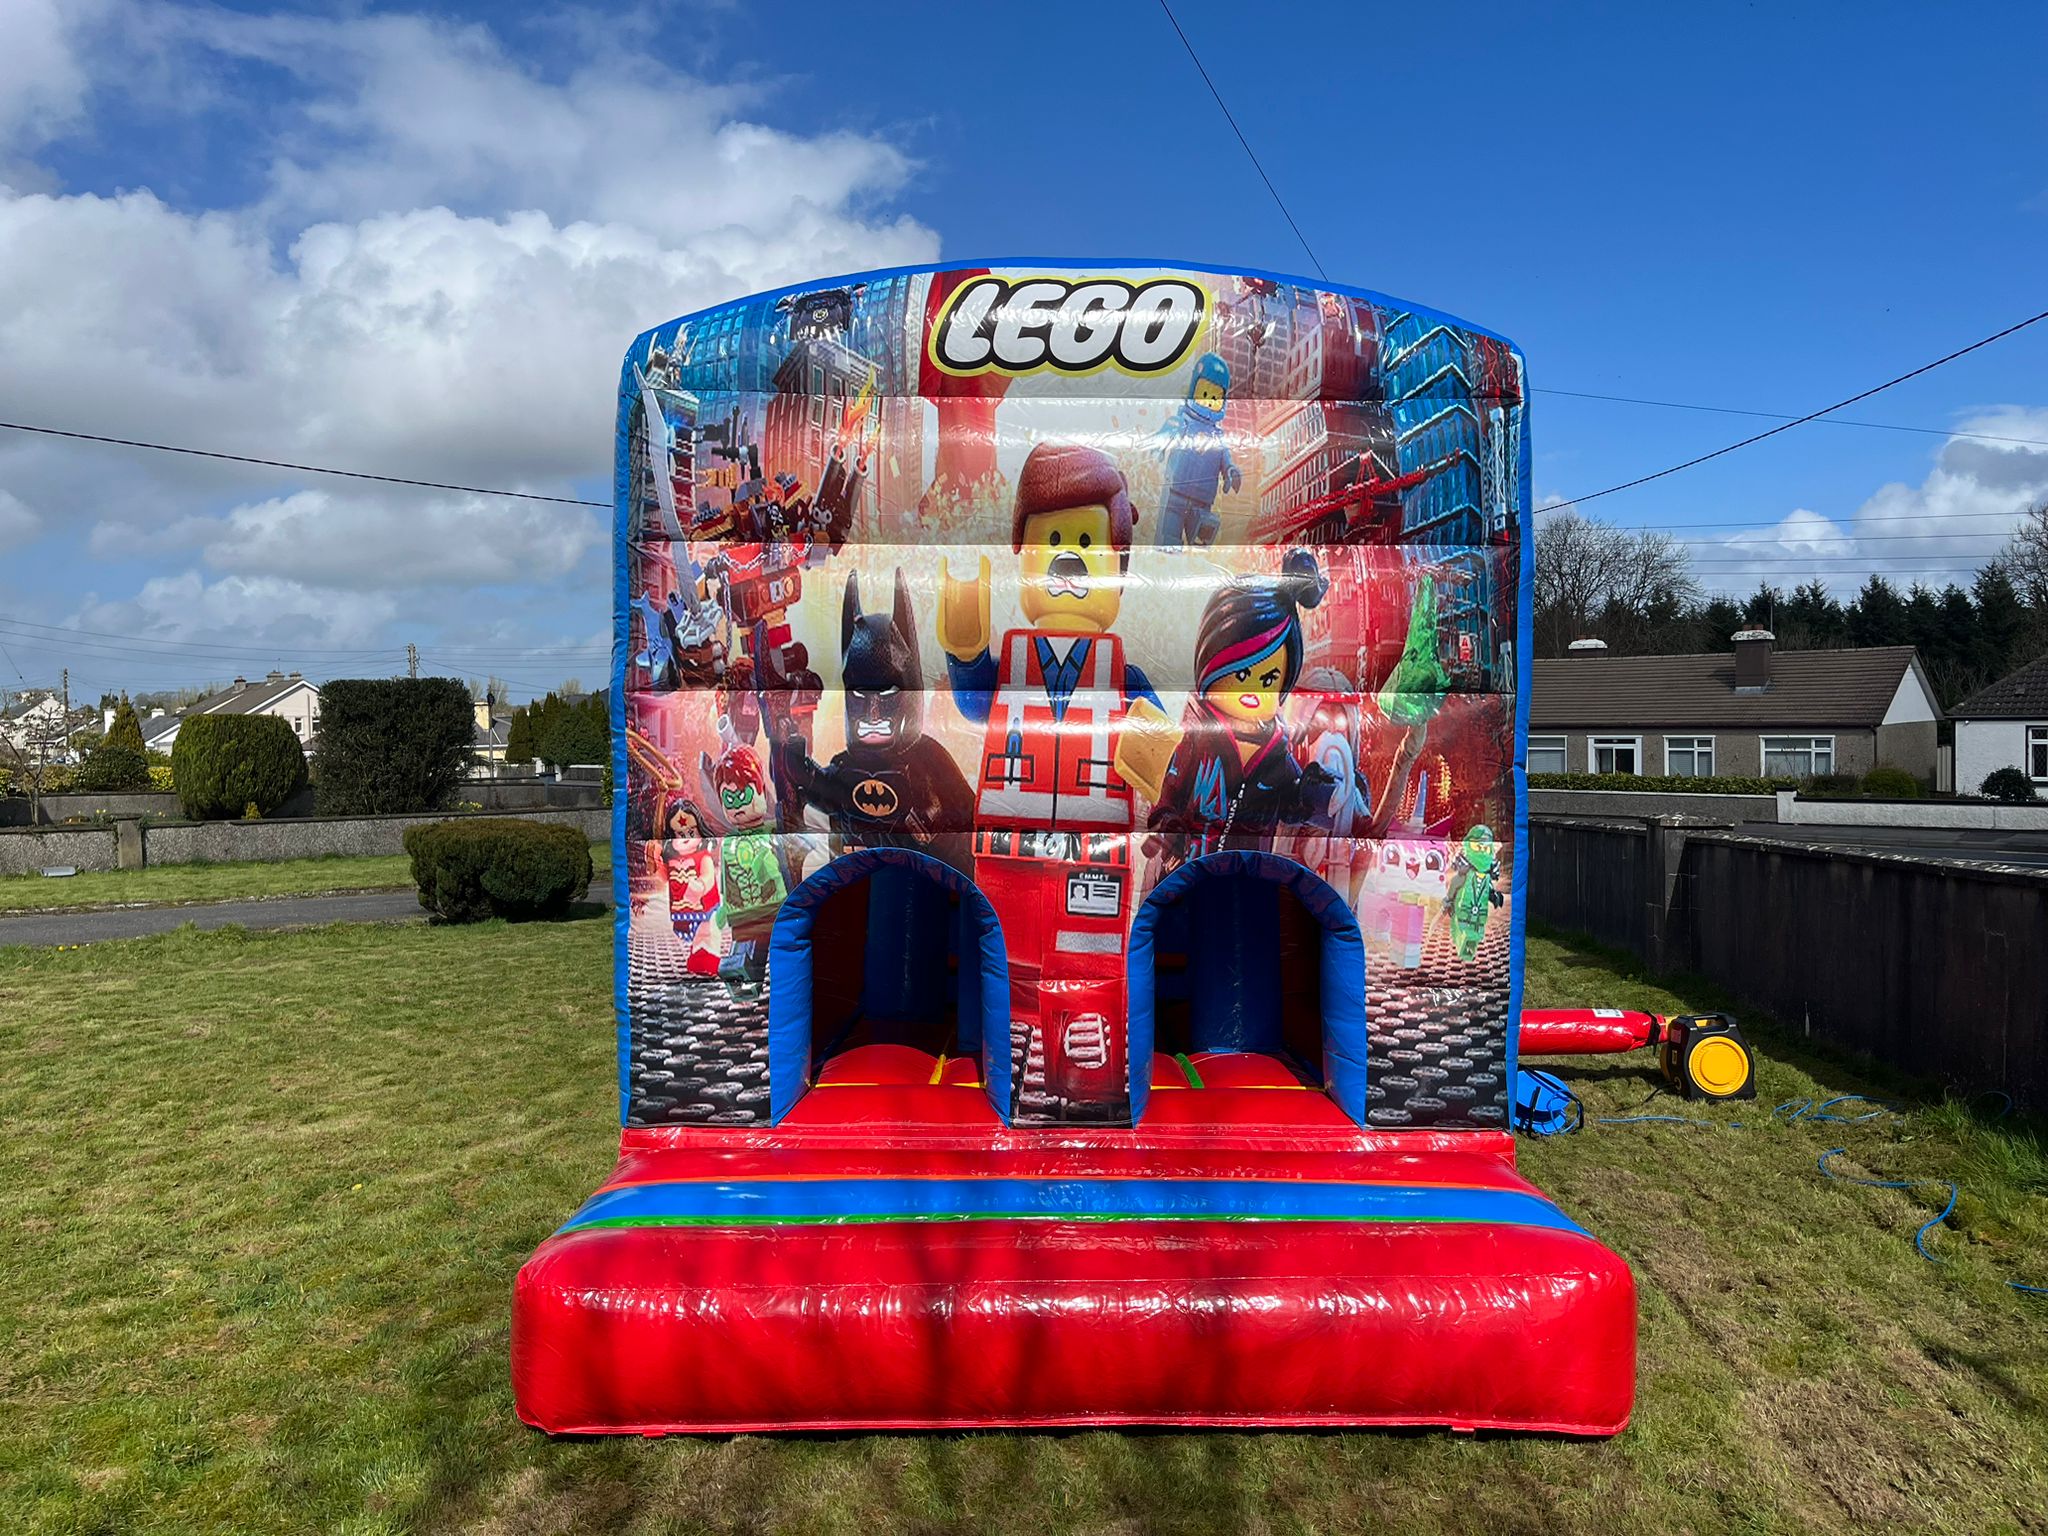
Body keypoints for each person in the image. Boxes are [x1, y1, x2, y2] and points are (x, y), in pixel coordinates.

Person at [1149, 550, 1338, 864]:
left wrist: (1316, 793)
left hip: (1248, 877)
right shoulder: (1197, 738)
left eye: (1268, 679)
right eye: (1240, 675)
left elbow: (1294, 807)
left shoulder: (1277, 755)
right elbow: (1169, 795)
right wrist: (1168, 826)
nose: (1252, 690)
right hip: (1191, 873)